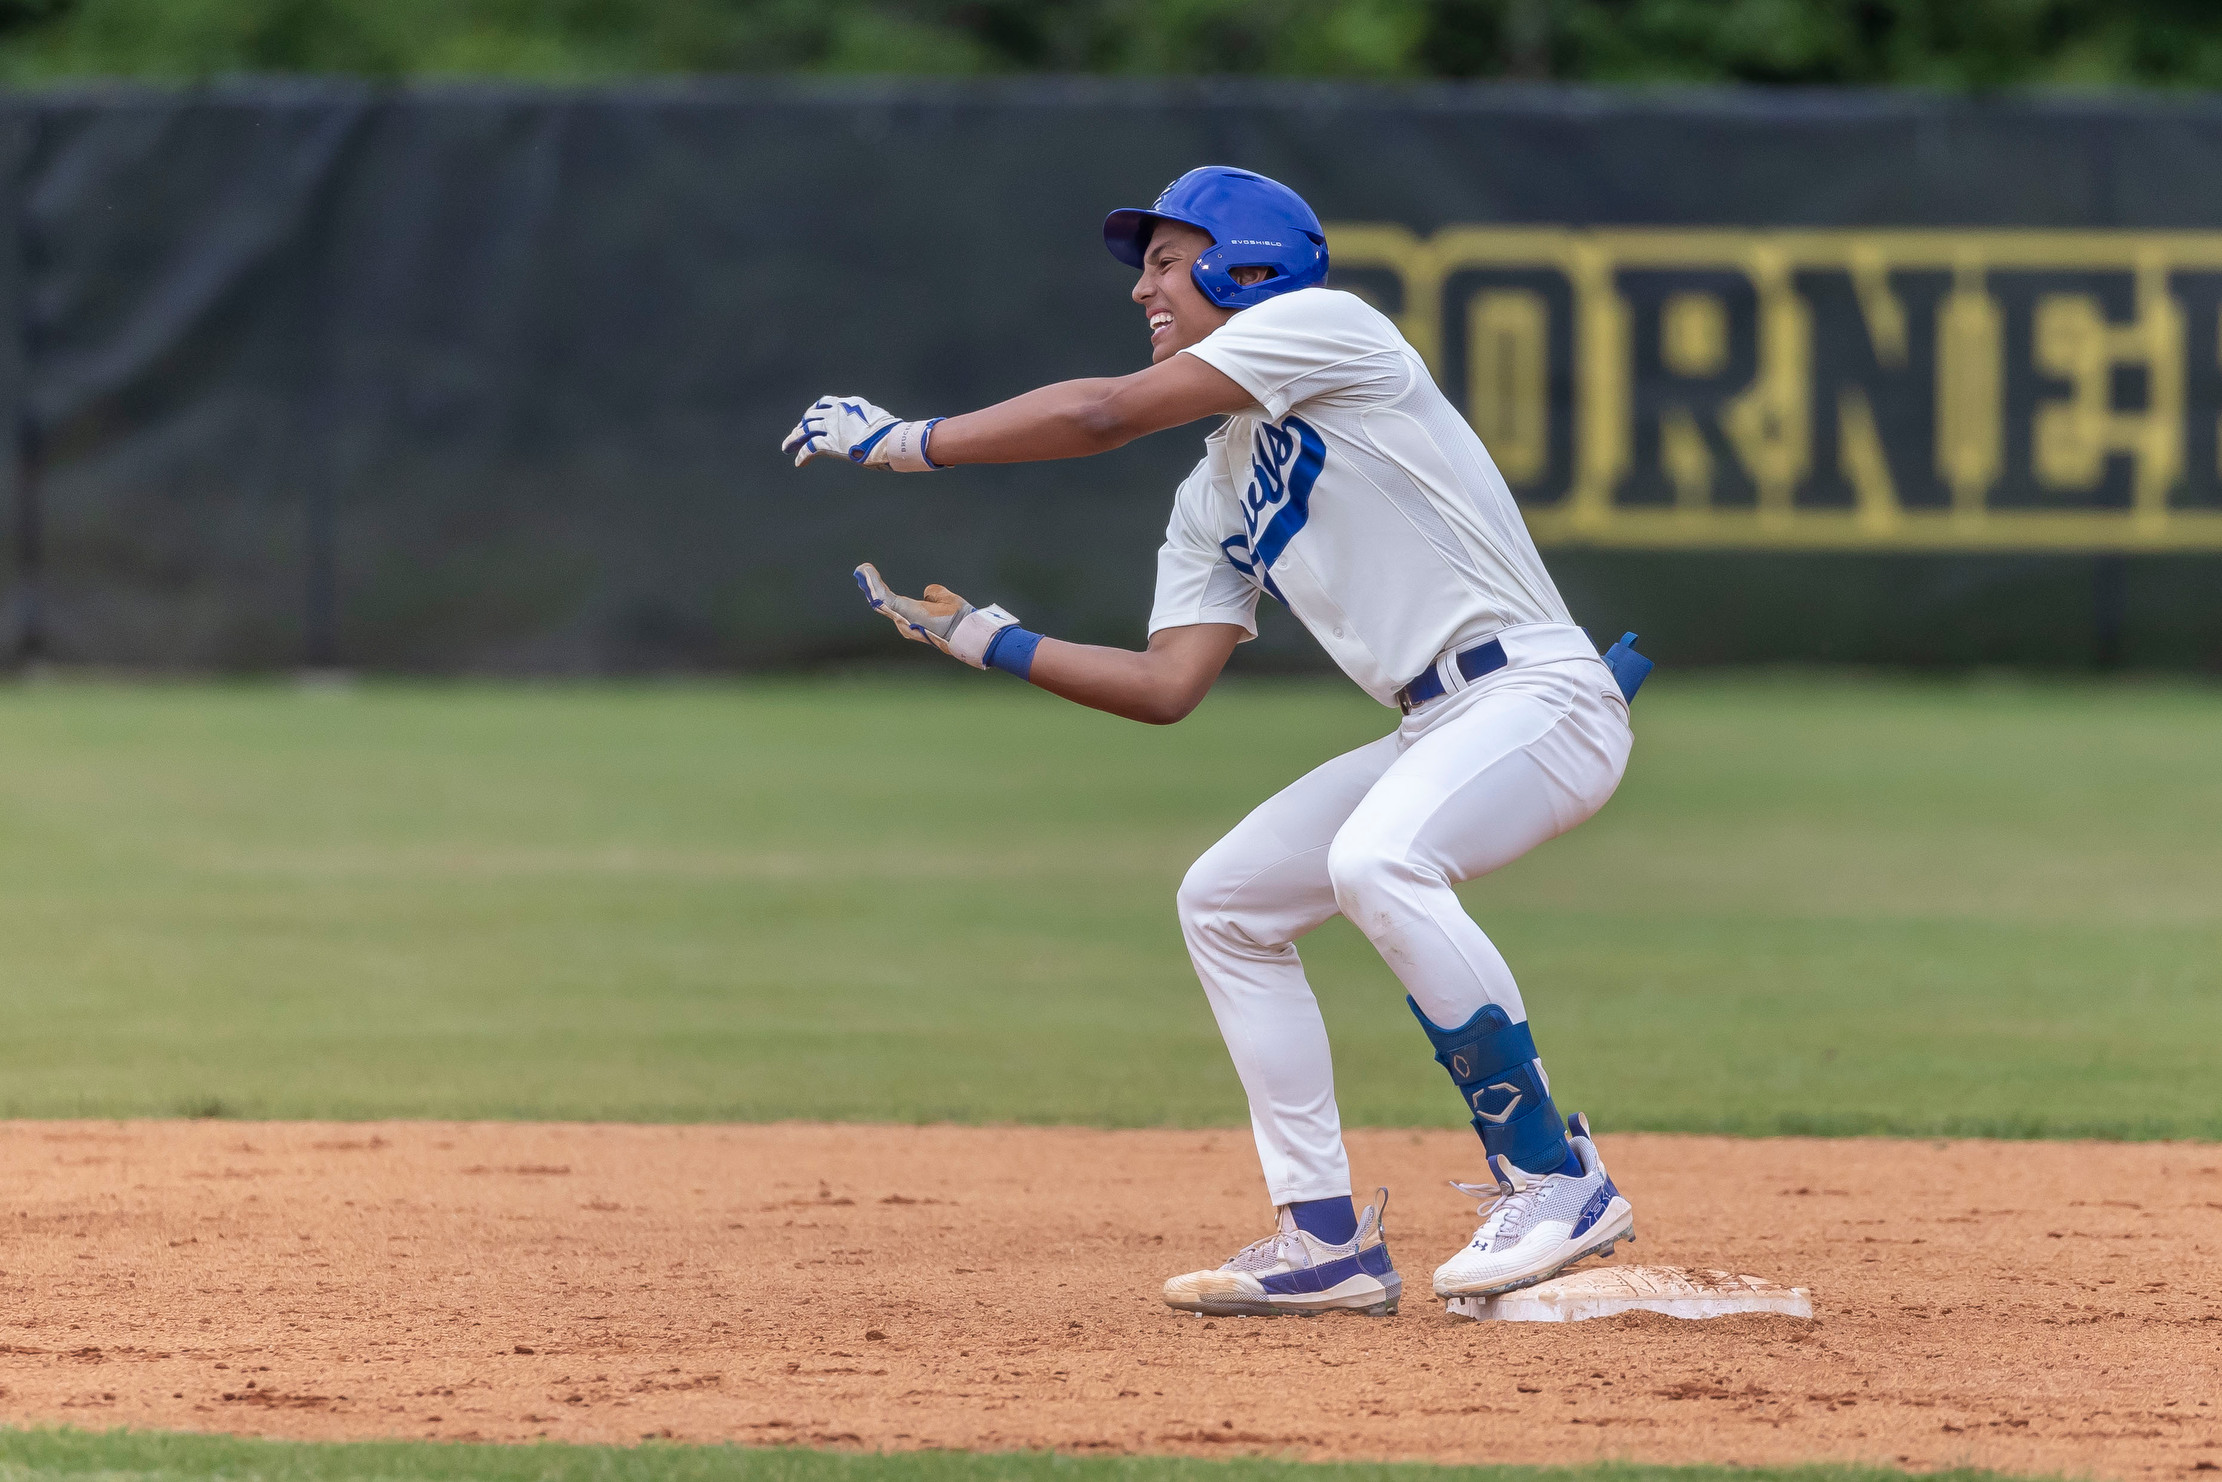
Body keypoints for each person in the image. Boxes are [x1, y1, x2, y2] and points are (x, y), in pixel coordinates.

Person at [783, 166, 1645, 1319]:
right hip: (1440, 721)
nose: (1142, 286)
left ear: (1249, 264)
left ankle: (1554, 1177)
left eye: (1164, 259)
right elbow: (1164, 685)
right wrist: (989, 640)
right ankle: (1324, 1240)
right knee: (1227, 901)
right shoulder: (1216, 486)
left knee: (1375, 862)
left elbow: (1097, 413)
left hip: (1541, 698)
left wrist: (906, 443)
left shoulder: (1327, 328)